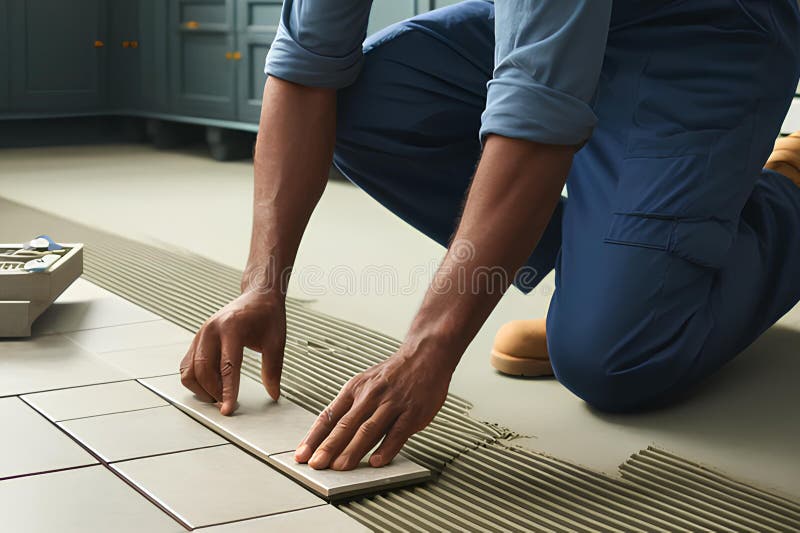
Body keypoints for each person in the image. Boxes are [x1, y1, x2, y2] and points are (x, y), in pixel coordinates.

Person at [180, 0, 800, 471]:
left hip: (702, 33)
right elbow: (306, 65)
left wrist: (430, 346)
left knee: (615, 361)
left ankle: (787, 194)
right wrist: (260, 285)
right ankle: (609, 268)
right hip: (554, 27)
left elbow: (535, 113)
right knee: (368, 103)